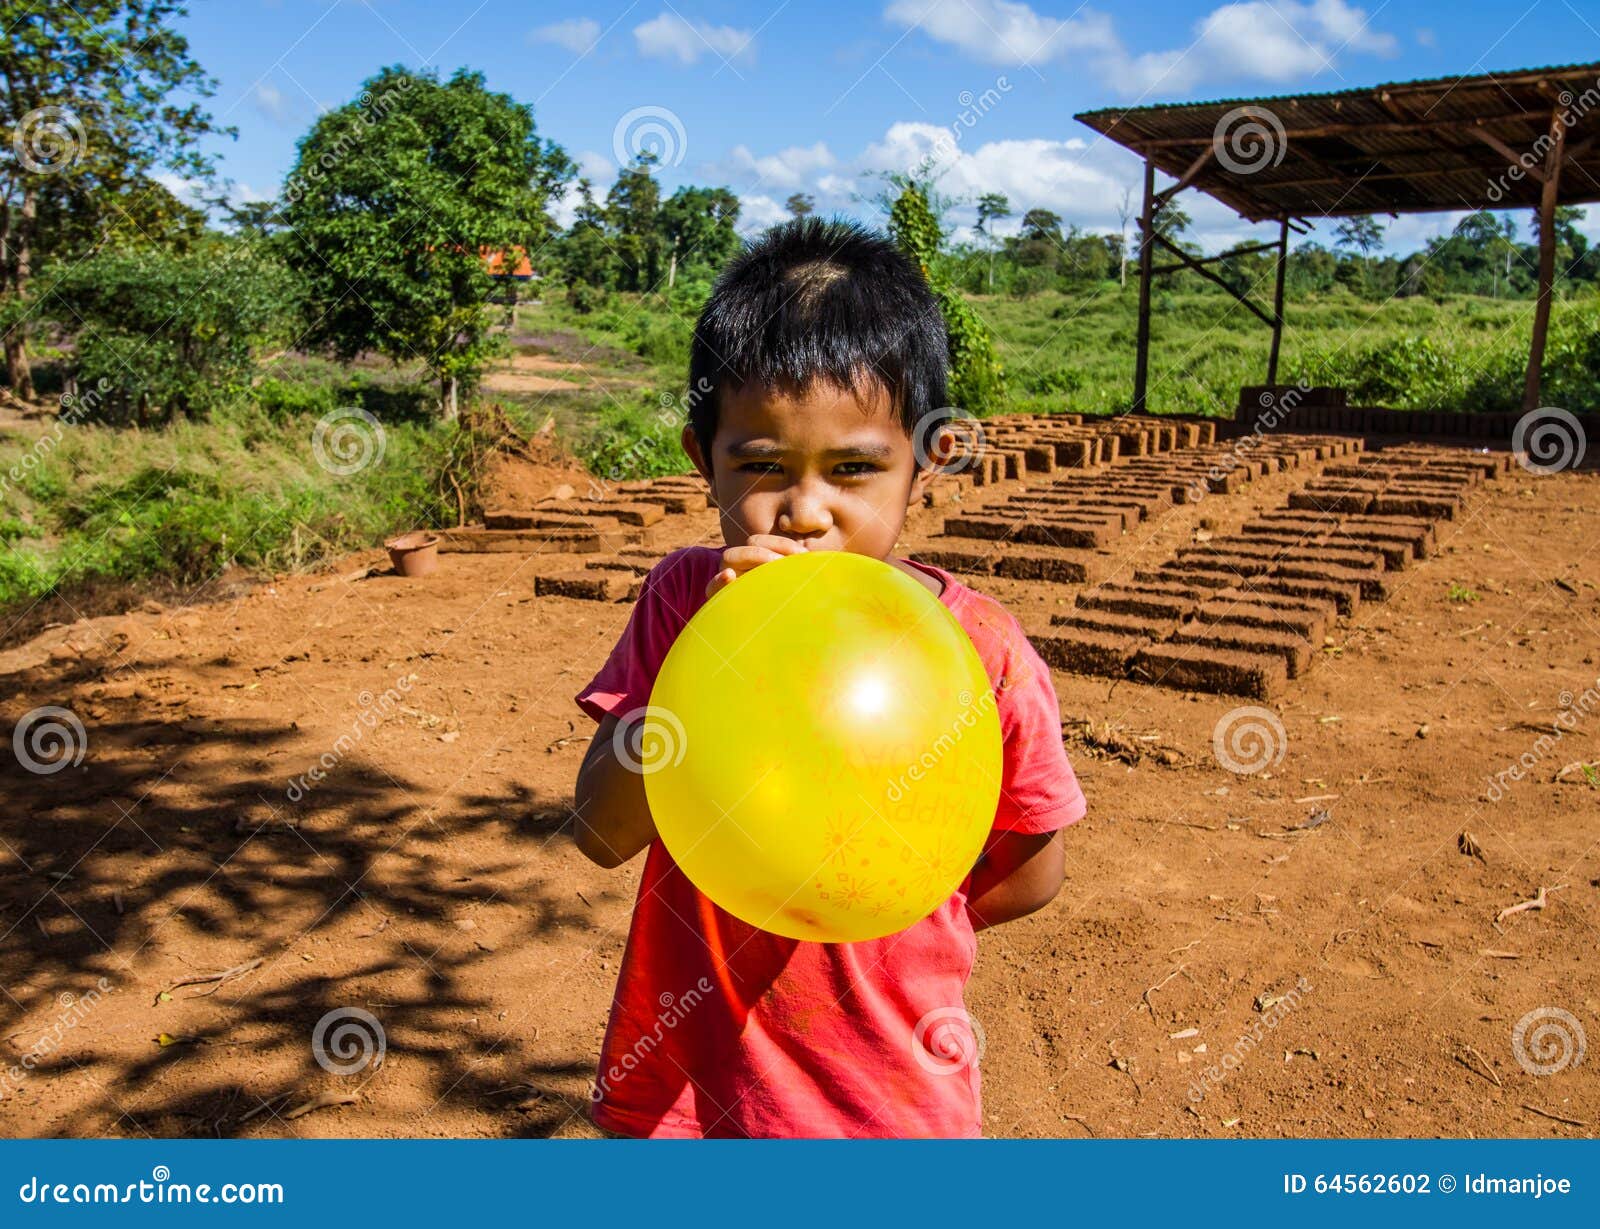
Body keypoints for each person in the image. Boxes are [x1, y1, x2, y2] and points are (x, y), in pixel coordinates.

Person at [571, 217, 1086, 1138]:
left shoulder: (981, 650)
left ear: (923, 464)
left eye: (854, 469)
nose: (806, 511)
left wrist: (894, 898)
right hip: (688, 1094)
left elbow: (1030, 870)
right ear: (703, 461)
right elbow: (601, 833)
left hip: (885, 1105)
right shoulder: (683, 602)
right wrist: (707, 661)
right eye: (761, 466)